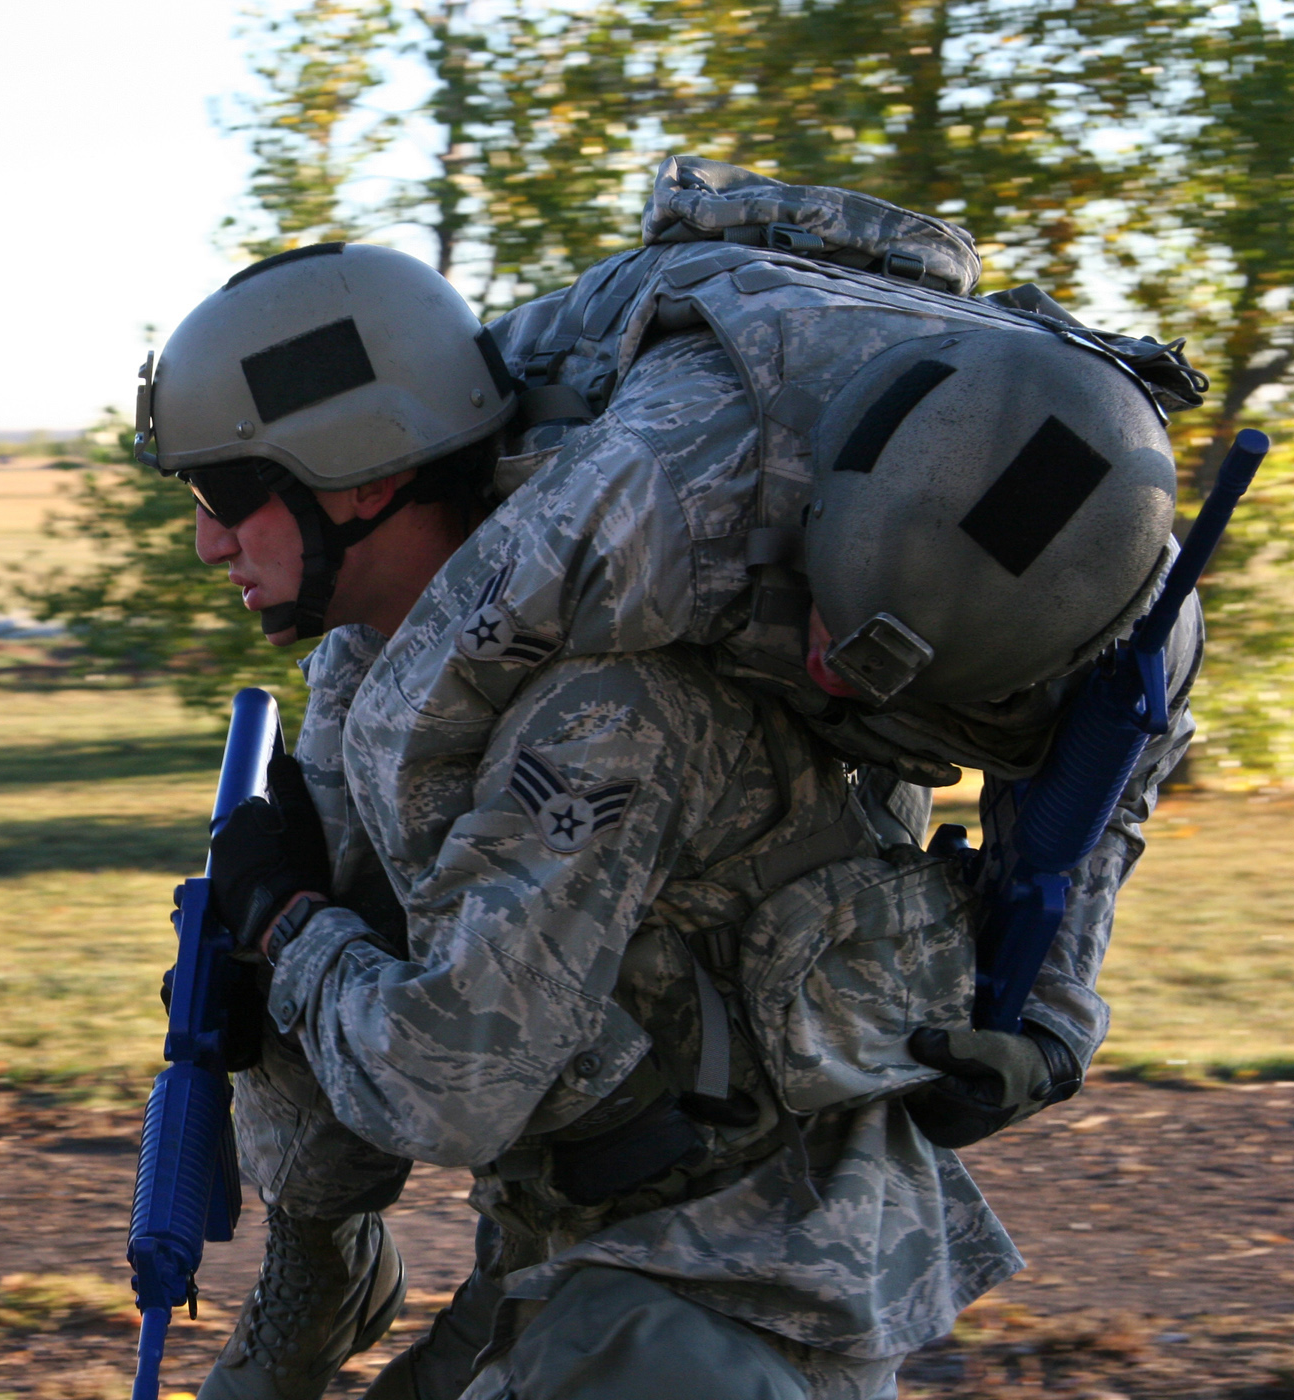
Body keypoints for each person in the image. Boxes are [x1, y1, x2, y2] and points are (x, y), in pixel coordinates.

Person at [138, 157, 1205, 1400]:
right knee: (272, 939)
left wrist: (1053, 1013)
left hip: (736, 1279)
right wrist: (286, 956)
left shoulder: (608, 685)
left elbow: (449, 1076)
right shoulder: (518, 572)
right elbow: (390, 766)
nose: (209, 539)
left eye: (225, 496)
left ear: (367, 478)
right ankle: (319, 1270)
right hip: (581, 1241)